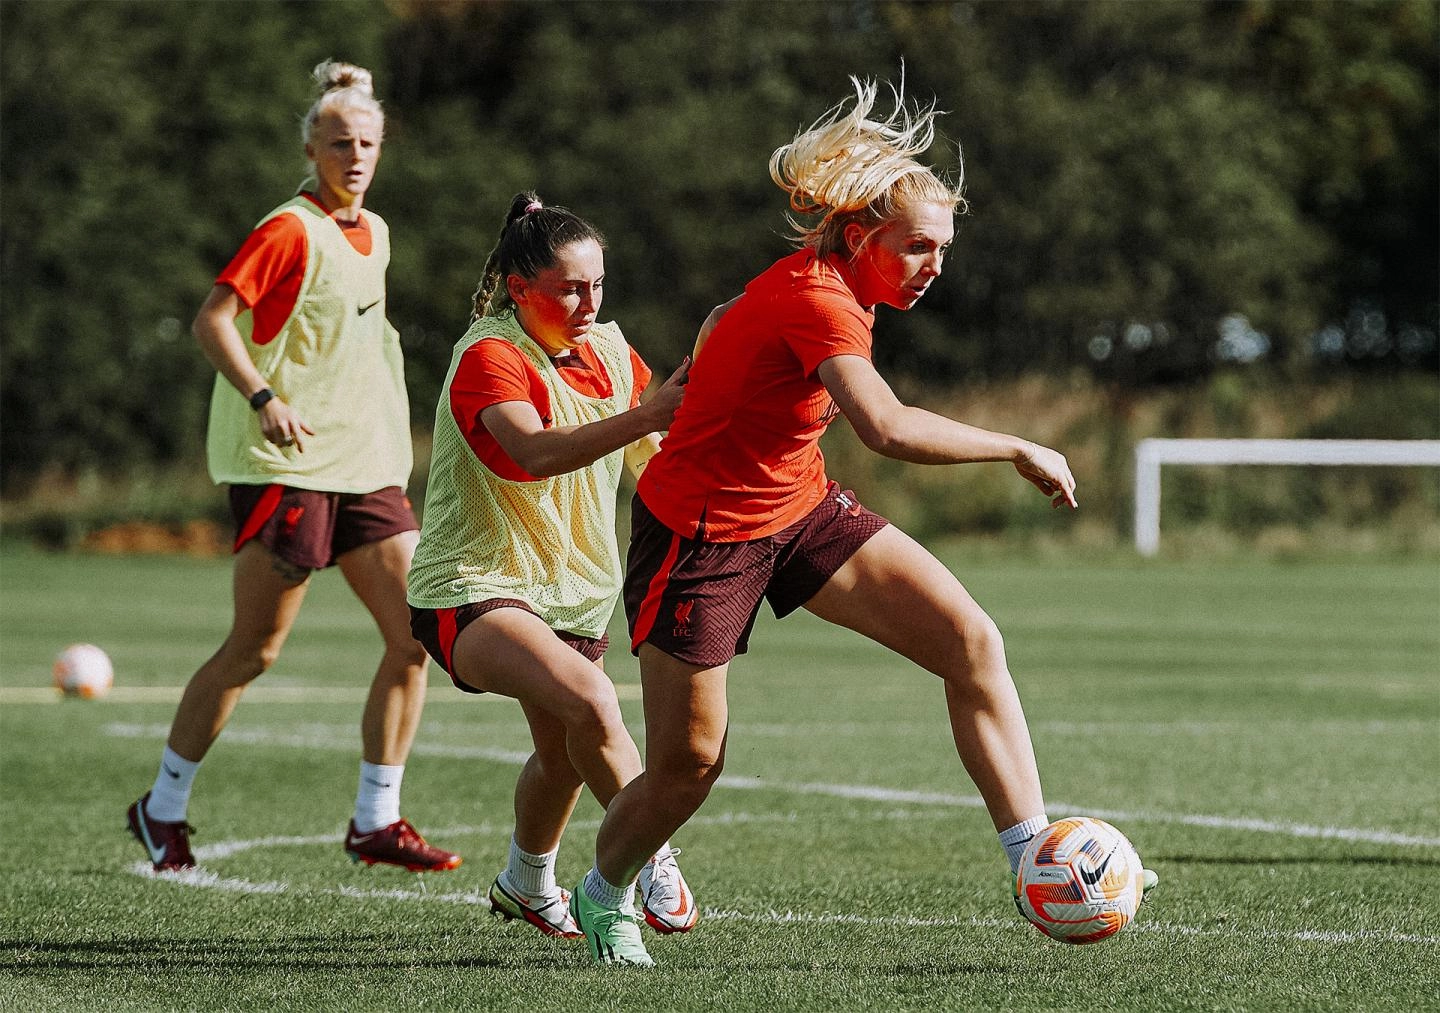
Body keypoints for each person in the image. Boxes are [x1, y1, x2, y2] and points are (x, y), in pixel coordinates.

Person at [569, 78, 1156, 966]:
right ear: (858, 236)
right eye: (918, 247)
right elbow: (884, 426)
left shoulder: (835, 287)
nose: (933, 266)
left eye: (943, 249)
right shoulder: (820, 297)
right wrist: (1016, 446)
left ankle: (1031, 854)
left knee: (970, 640)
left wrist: (722, 351)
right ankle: (604, 891)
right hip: (701, 535)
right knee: (691, 764)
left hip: (798, 505)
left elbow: (732, 318)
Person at [127, 60, 460, 875]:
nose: (355, 155)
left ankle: (376, 819)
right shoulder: (288, 228)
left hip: (366, 465)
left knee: (416, 635)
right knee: (255, 648)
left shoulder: (375, 230)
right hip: (288, 462)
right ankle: (161, 807)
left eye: (368, 142)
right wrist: (263, 394)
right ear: (310, 146)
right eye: (340, 141)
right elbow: (214, 321)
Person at [405, 192, 698, 947]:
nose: (588, 303)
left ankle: (527, 883)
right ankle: (649, 863)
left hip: (576, 594)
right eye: (570, 287)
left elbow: (653, 462)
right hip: (471, 583)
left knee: (563, 753)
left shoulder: (608, 349)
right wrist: (647, 415)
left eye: (597, 285)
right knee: (595, 702)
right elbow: (531, 454)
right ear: (519, 287)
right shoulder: (489, 356)